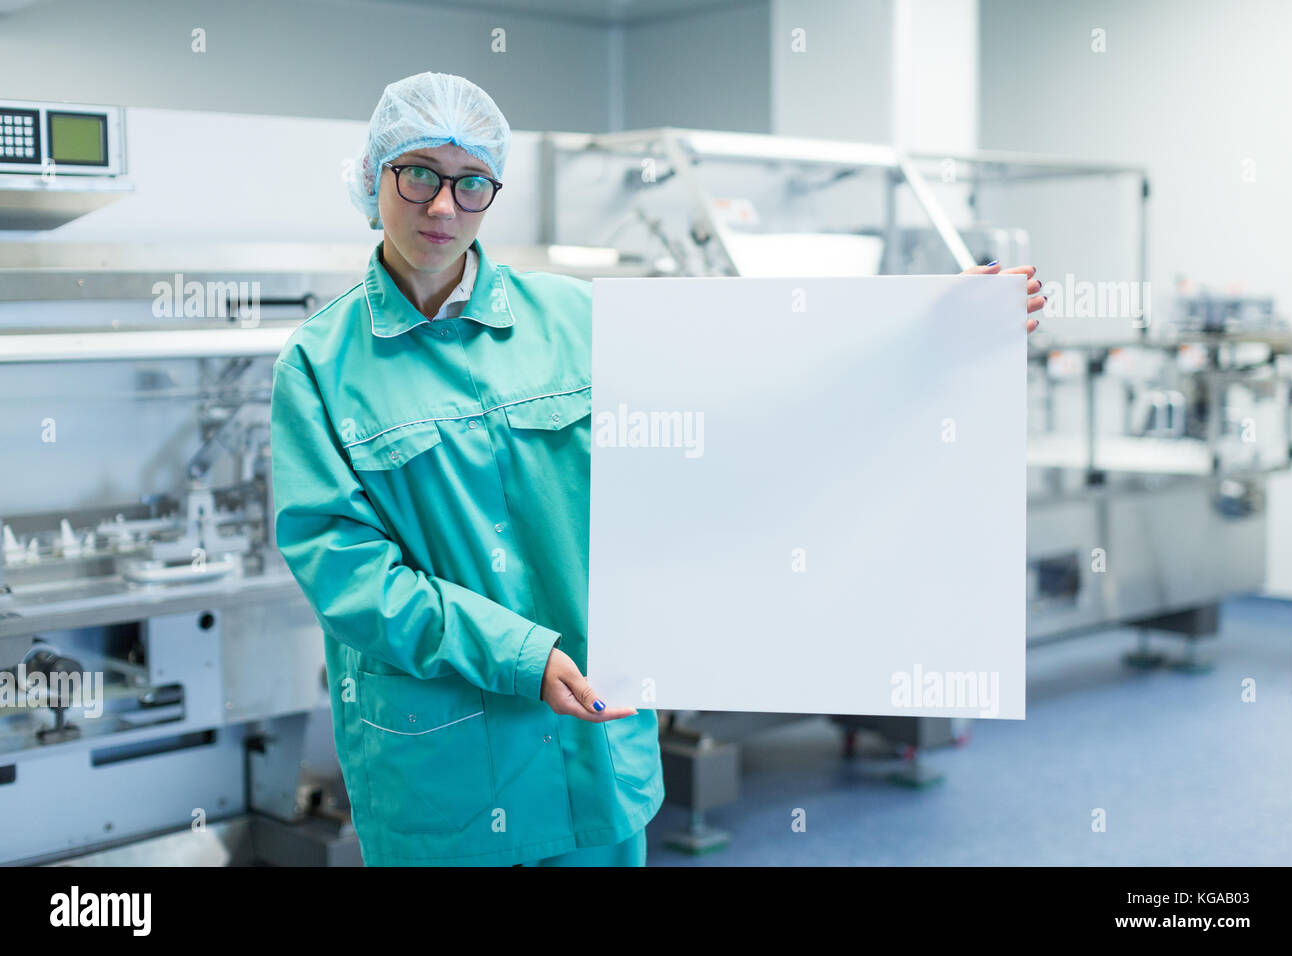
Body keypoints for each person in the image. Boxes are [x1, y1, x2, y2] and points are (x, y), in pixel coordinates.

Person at [271, 71, 1045, 868]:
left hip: (592, 748)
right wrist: (518, 654)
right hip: (444, 769)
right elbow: (348, 573)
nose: (443, 207)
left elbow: (750, 395)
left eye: (471, 183)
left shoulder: (575, 320)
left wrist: (927, 334)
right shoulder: (321, 366)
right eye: (420, 174)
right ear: (374, 176)